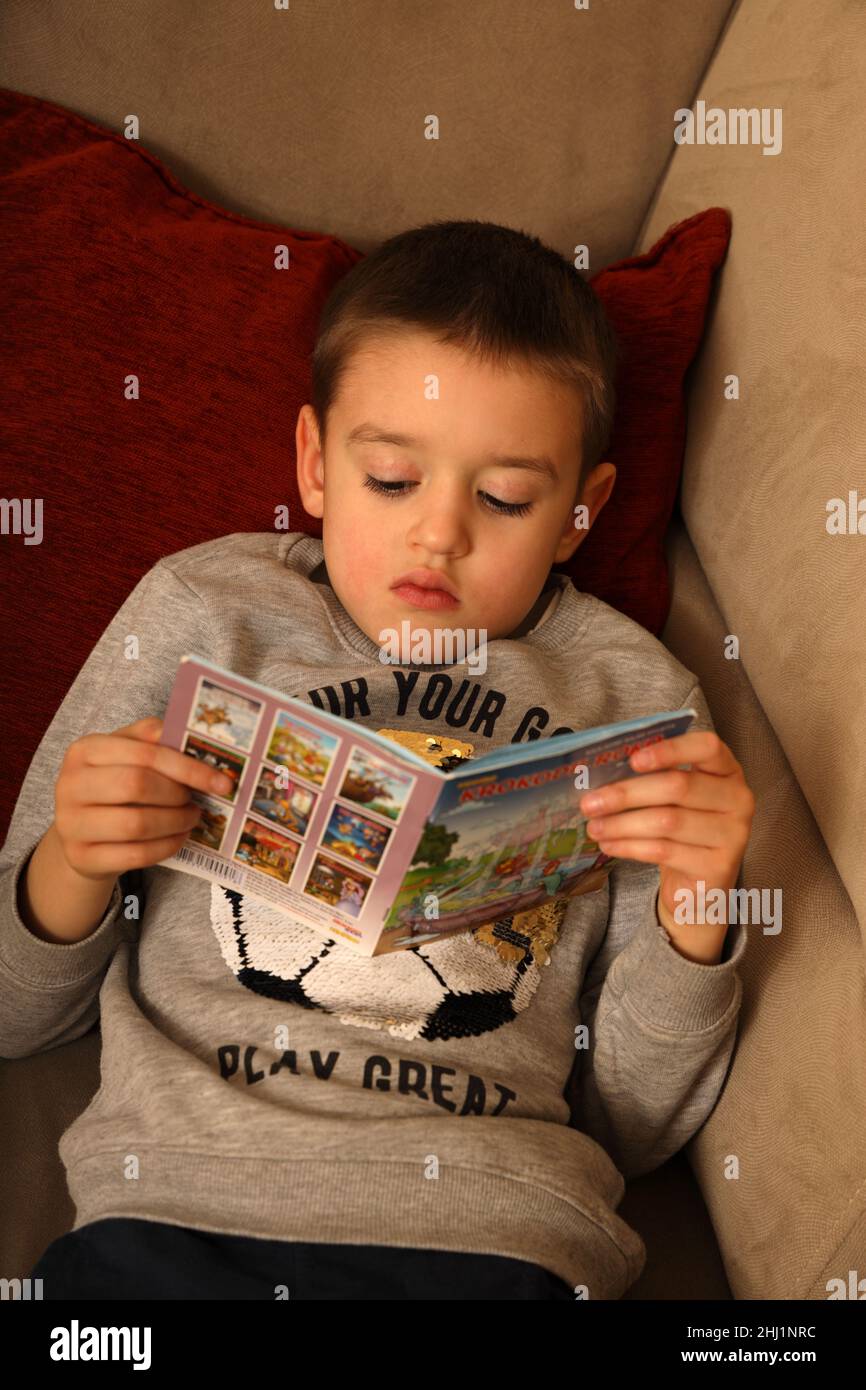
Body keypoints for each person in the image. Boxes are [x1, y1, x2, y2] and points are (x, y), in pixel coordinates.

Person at [0, 220, 753, 1301]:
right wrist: (73, 859)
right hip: (175, 1203)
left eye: (502, 499)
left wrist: (698, 917)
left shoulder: (633, 700)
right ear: (313, 462)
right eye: (392, 478)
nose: (436, 535)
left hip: (499, 1231)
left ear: (580, 512)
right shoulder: (204, 612)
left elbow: (634, 1122)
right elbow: (14, 1012)